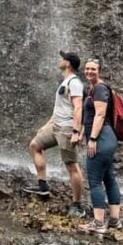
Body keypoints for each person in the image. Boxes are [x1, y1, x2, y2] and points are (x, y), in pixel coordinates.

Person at [23, 51, 86, 218]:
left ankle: (77, 204)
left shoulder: (75, 83)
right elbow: (59, 109)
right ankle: (42, 186)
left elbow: (78, 108)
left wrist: (76, 131)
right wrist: (45, 126)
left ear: (68, 63)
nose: (60, 60)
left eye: (63, 58)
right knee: (35, 145)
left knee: (72, 166)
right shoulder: (64, 82)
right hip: (55, 126)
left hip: (66, 128)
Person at [78, 58, 122, 234]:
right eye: (87, 68)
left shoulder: (100, 88)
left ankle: (98, 223)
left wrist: (93, 139)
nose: (89, 72)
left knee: (95, 180)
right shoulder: (96, 88)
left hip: (101, 139)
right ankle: (114, 220)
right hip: (108, 139)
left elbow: (100, 114)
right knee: (109, 178)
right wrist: (81, 133)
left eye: (93, 69)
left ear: (99, 70)